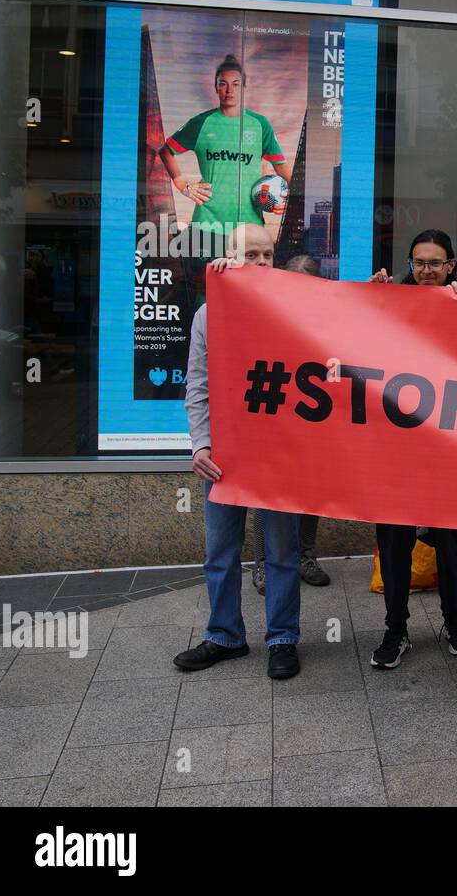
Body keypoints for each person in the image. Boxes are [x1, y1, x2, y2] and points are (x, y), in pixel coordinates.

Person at [172, 223, 304, 680]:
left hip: (279, 453)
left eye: (267, 254)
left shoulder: (292, 309)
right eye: (250, 254)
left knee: (282, 550)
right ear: (230, 258)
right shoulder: (209, 315)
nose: (262, 263)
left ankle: (283, 638)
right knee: (220, 551)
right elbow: (197, 385)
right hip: (224, 457)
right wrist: (200, 444)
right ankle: (224, 636)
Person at [365, 230, 457, 666]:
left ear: (451, 265)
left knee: (450, 539)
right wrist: (372, 300)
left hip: (448, 447)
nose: (426, 270)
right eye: (419, 262)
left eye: (435, 263)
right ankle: (396, 630)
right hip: (395, 447)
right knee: (394, 541)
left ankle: (456, 622)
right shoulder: (389, 301)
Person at [247, 255, 330, 595]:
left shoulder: (328, 317)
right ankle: (263, 563)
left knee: (311, 490)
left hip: (313, 418)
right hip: (274, 416)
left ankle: (304, 556)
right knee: (266, 493)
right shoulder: (267, 314)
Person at [160, 54, 291, 256]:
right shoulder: (201, 123)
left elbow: (280, 167)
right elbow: (166, 151)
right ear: (216, 87)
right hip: (207, 226)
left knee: (245, 287)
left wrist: (293, 197)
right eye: (223, 84)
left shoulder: (260, 124)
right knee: (206, 286)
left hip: (250, 226)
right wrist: (181, 183)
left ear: (243, 87)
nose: (229, 90)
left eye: (236, 84)